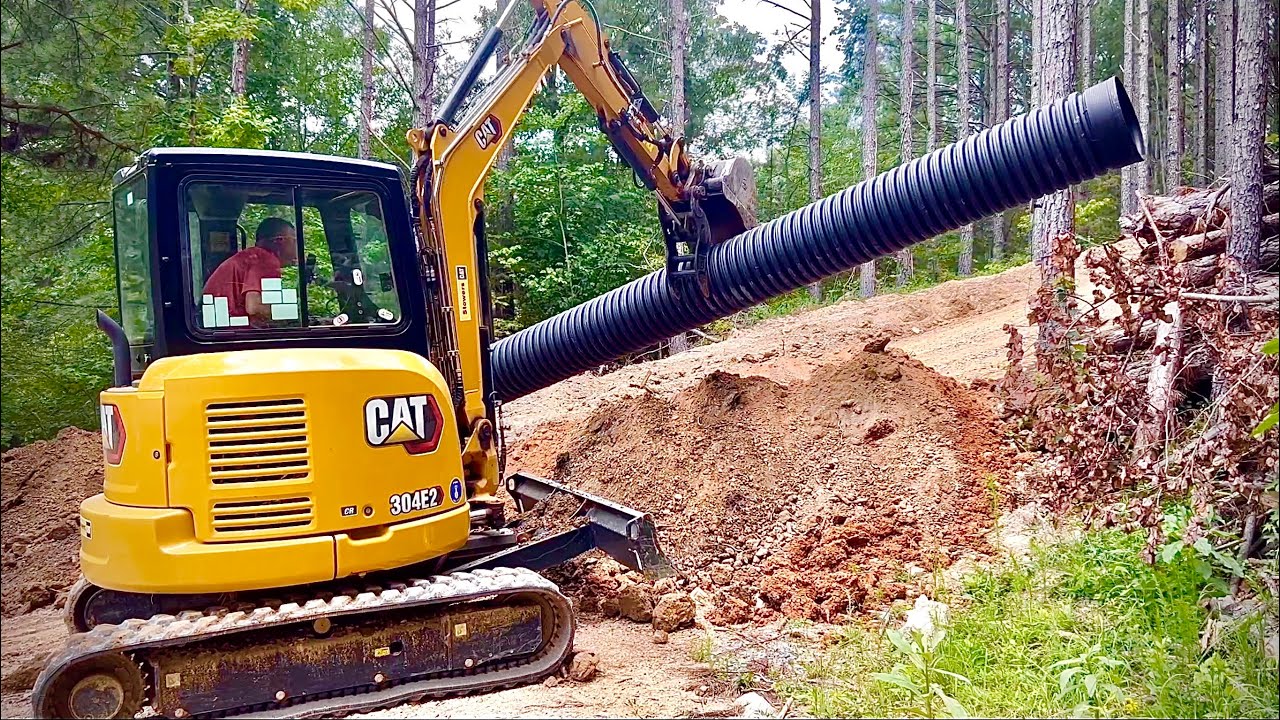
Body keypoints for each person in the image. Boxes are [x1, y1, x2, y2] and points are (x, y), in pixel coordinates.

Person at [203, 217, 297, 325]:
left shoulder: (251, 257)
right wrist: (293, 313)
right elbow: (254, 308)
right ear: (279, 241)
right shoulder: (265, 259)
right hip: (232, 333)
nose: (298, 247)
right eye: (294, 240)